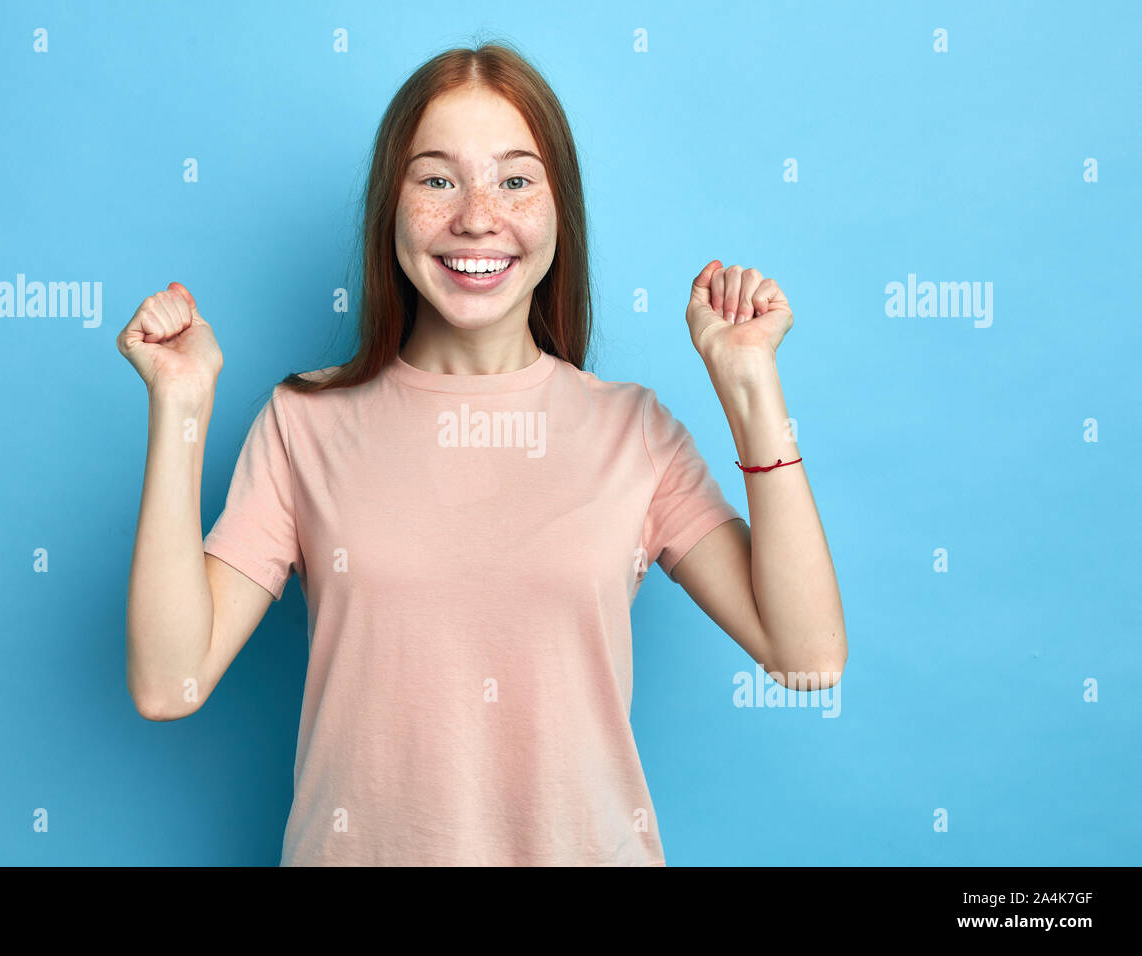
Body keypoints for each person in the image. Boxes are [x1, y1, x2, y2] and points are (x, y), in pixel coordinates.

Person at [116, 41, 847, 866]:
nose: (476, 215)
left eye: (514, 179)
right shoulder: (304, 422)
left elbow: (808, 655)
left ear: (558, 209)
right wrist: (179, 410)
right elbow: (165, 683)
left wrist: (752, 390)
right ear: (388, 208)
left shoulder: (633, 433)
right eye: (436, 179)